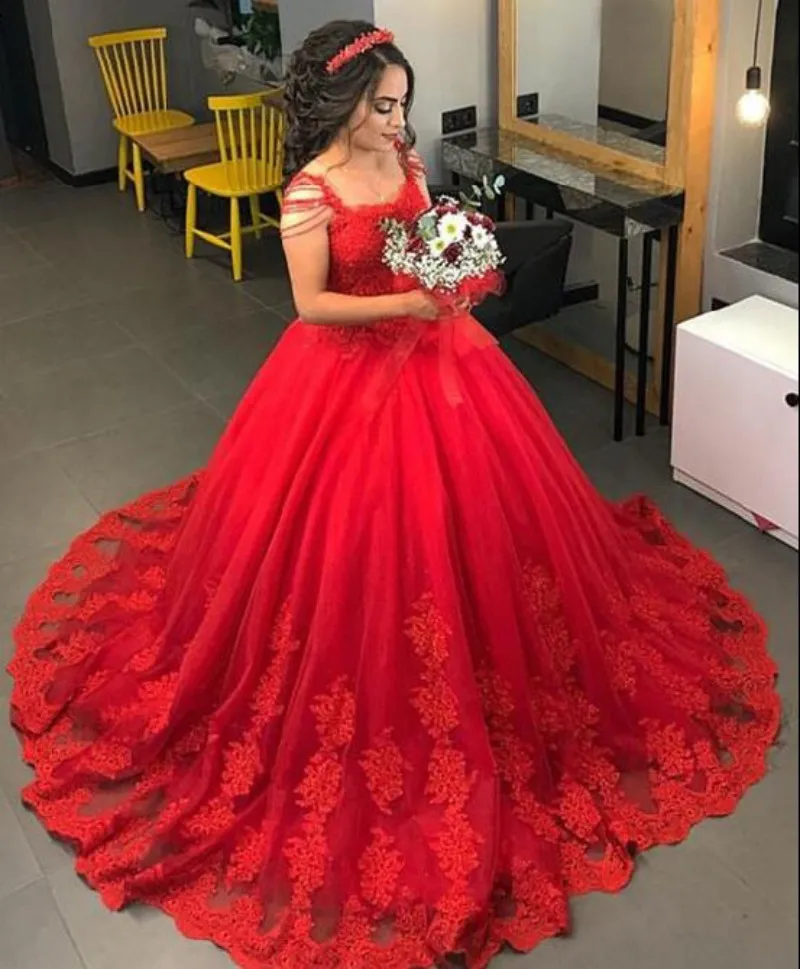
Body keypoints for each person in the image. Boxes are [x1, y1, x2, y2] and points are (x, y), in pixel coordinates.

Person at [7, 19, 780, 969]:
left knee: (488, 535)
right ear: (342, 103)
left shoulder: (405, 163)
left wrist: (448, 264)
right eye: (384, 105)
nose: (397, 121)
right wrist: (413, 301)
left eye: (402, 104)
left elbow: (423, 237)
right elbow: (314, 305)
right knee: (351, 552)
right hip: (344, 378)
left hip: (441, 365)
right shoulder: (307, 191)